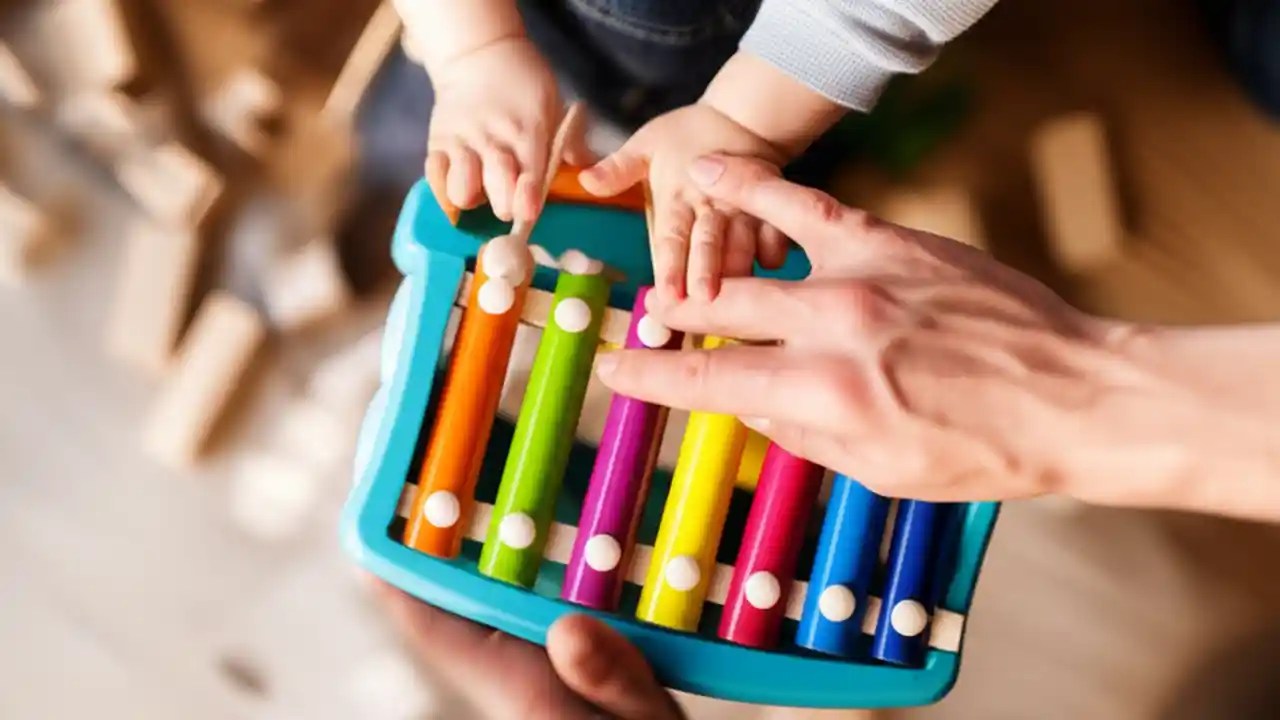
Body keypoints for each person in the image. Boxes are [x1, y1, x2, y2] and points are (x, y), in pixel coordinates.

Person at [396, 0, 1000, 305]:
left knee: (749, 201)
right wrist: (471, 49)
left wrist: (748, 125)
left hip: (767, 70)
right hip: (519, 38)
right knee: (428, 148)